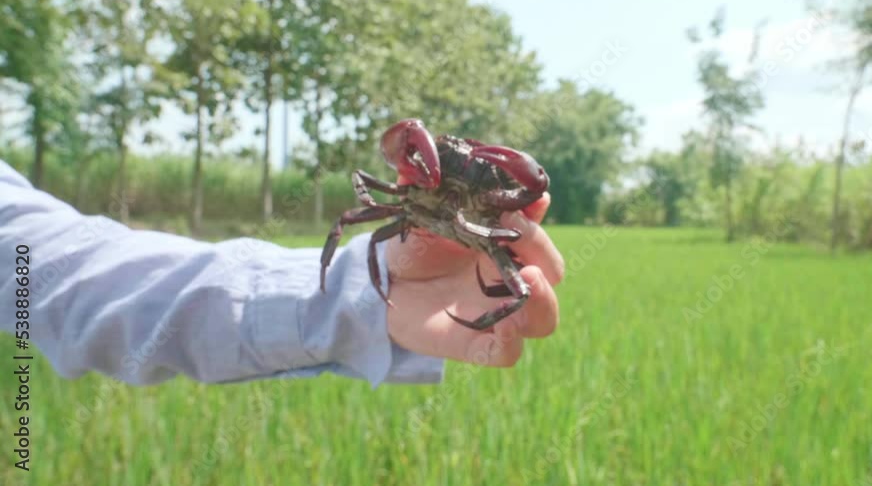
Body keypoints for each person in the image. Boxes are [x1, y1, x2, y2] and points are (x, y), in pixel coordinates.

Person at [0, 159, 563, 387]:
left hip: (448, 245)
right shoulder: (407, 181)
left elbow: (46, 260)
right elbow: (359, 201)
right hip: (412, 217)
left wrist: (355, 293)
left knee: (516, 280)